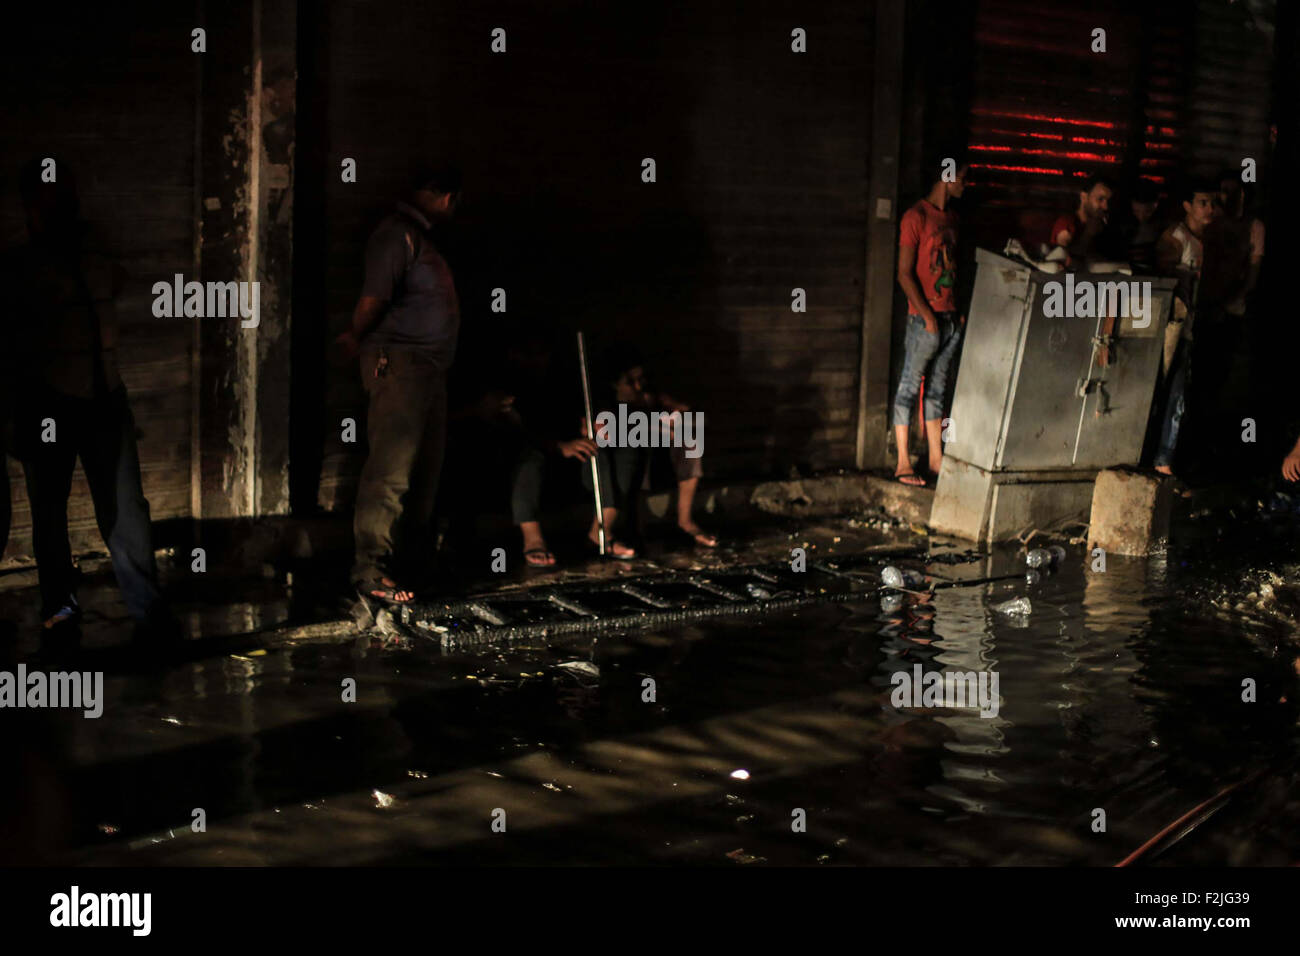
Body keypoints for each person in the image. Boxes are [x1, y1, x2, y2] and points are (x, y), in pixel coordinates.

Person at [5, 159, 170, 637]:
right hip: (46, 403)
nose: (62, 205)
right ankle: (60, 608)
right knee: (50, 512)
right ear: (33, 207)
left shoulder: (94, 251)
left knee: (126, 509)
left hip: (105, 400)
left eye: (66, 195)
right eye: (51, 198)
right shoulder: (18, 266)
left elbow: (113, 292)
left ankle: (149, 611)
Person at [338, 164, 461, 608]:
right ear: (445, 197)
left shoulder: (422, 238)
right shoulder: (397, 235)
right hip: (401, 364)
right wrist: (355, 335)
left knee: (424, 472)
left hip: (430, 369)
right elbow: (375, 295)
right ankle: (371, 569)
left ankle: (410, 565)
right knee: (391, 470)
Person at [584, 343, 717, 556]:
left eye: (640, 380)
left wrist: (676, 417)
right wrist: (655, 429)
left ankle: (685, 521)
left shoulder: (648, 397)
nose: (638, 386)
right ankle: (624, 527)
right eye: (630, 382)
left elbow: (693, 418)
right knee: (638, 445)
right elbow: (607, 432)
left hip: (658, 460)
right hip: (616, 463)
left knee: (690, 439)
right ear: (614, 384)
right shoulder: (604, 405)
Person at [892, 154, 967, 486]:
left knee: (938, 390)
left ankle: (937, 460)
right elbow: (904, 274)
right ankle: (902, 463)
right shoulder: (915, 216)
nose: (965, 184)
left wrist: (956, 312)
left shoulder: (952, 219)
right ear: (947, 176)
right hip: (924, 320)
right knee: (910, 386)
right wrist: (926, 316)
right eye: (962, 177)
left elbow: (952, 269)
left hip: (949, 318)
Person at [1151, 178, 1218, 478]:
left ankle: (1165, 456)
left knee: (1180, 394)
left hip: (1189, 326)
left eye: (1212, 202)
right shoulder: (1176, 238)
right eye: (1203, 202)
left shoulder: (1202, 240)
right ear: (1187, 206)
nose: (1210, 208)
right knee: (1171, 393)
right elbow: (1163, 283)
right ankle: (1160, 459)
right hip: (1172, 329)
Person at [1049, 174, 1113, 266]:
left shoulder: (1102, 225)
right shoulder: (1066, 224)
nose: (1105, 207)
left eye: (1108, 201)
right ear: (1084, 197)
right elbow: (1065, 262)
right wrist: (1088, 234)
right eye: (1100, 199)